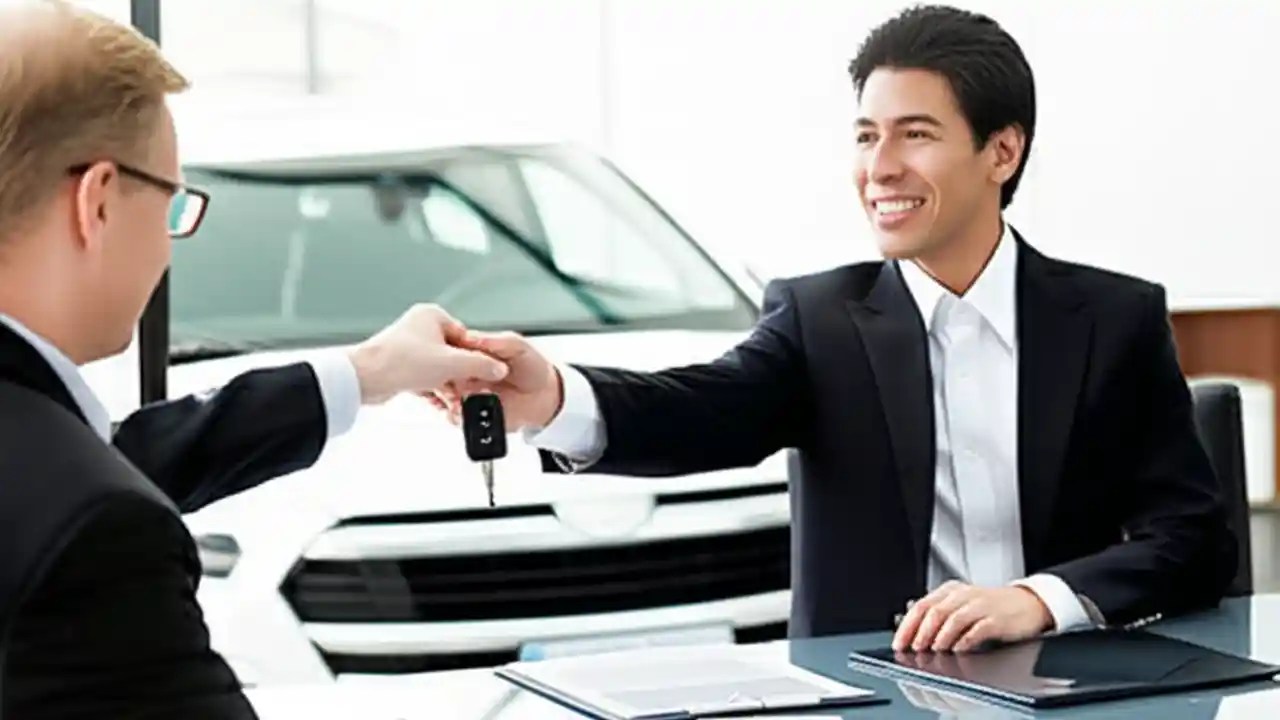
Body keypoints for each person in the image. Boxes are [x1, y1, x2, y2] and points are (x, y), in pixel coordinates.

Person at [438, 4, 1236, 655]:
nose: (878, 167)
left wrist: (1037, 601)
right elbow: (701, 409)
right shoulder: (820, 322)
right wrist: (551, 398)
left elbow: (1194, 542)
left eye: (914, 134)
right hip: (879, 696)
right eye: (865, 135)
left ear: (1002, 151)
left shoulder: (1114, 318)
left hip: (1079, 693)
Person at [0, 3, 508, 718]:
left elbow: (99, 463)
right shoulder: (98, 539)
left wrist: (367, 373)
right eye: (173, 204)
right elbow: (83, 495)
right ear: (100, 202)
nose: (172, 242)